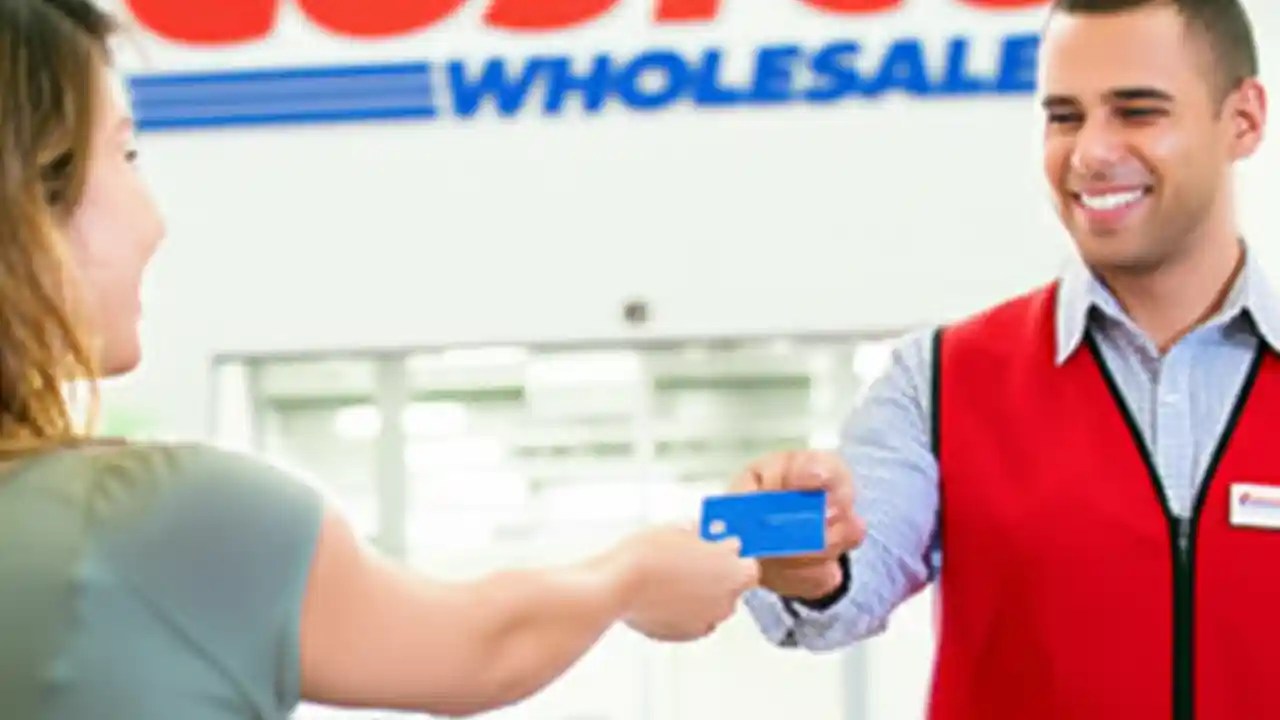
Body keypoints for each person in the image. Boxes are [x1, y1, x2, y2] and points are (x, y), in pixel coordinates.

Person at [0, 2, 761, 718]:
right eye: (125, 154)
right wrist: (630, 578)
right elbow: (480, 647)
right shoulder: (154, 519)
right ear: (30, 199)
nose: (155, 220)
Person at [734, 0, 1278, 718]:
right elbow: (841, 589)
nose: (1089, 153)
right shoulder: (940, 378)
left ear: (1242, 120)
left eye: (1137, 111)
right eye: (1064, 116)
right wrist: (800, 549)